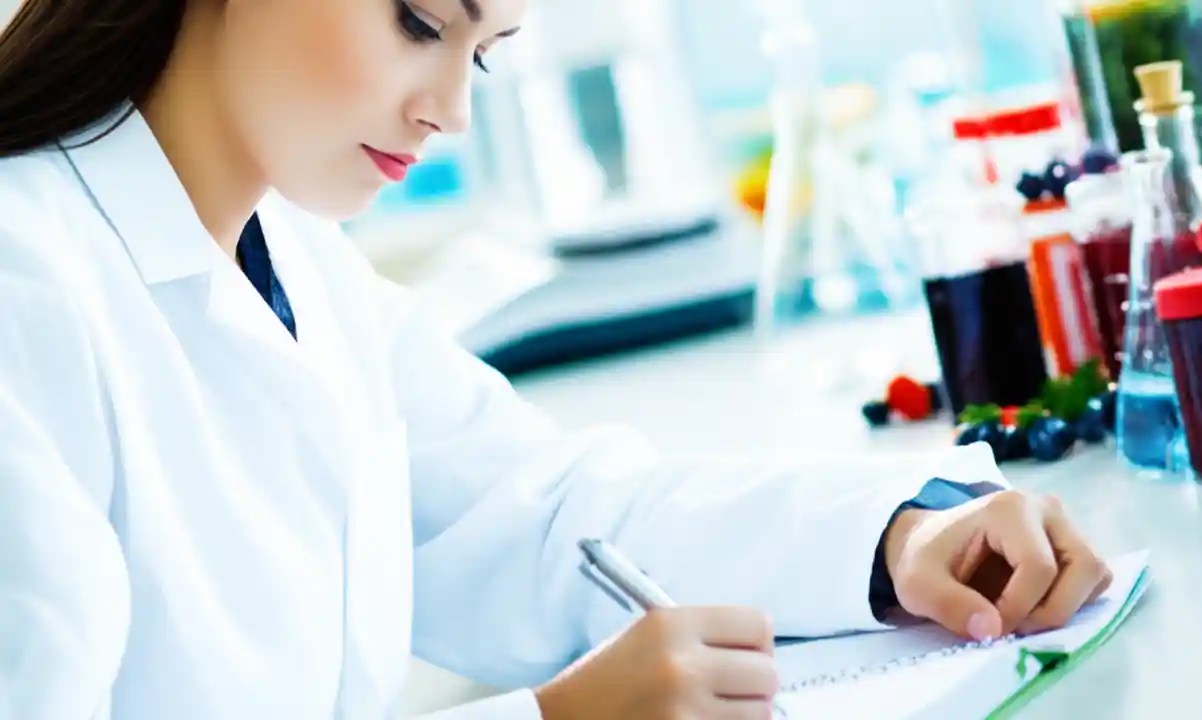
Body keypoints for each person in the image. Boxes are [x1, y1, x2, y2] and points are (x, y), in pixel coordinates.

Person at [0, 0, 1112, 718]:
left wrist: (896, 541)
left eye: (482, 55)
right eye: (419, 22)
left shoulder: (292, 258)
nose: (449, 112)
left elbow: (551, 519)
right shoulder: (26, 285)